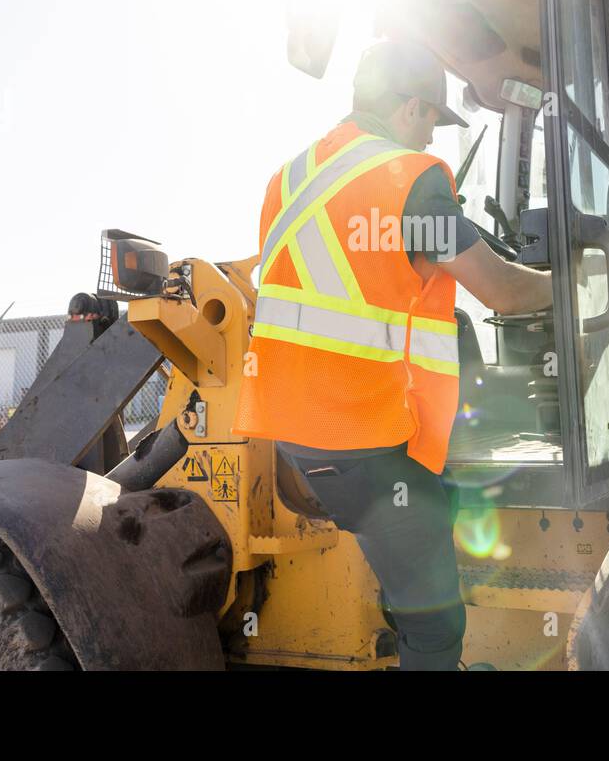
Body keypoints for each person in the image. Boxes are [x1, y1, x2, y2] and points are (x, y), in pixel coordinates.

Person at [233, 40, 552, 669]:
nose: (432, 136)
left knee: (413, 555)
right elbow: (504, 291)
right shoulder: (413, 180)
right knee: (435, 627)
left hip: (297, 435)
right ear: (409, 109)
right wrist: (576, 284)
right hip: (365, 437)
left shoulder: (287, 179)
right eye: (432, 118)